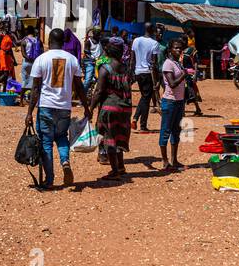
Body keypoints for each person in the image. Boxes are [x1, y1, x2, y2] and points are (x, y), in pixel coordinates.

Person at [24, 27, 89, 189]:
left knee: (46, 142)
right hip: (64, 108)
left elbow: (36, 88)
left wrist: (29, 112)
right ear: (64, 41)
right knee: (61, 138)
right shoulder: (72, 59)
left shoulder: (41, 59)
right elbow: (79, 86)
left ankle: (50, 179)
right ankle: (65, 161)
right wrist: (86, 107)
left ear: (48, 41)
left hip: (46, 106)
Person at [86, 36, 133, 179]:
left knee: (109, 139)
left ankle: (115, 172)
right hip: (125, 108)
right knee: (119, 137)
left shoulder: (105, 68)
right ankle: (121, 166)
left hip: (110, 107)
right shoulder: (125, 68)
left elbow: (99, 91)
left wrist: (91, 108)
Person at [159, 38, 189, 172]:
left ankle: (174, 160)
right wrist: (184, 75)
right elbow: (172, 83)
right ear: (170, 49)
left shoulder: (177, 63)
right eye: (176, 48)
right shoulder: (168, 64)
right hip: (169, 101)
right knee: (166, 131)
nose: (178, 50)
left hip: (179, 101)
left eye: (180, 48)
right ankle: (165, 161)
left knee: (176, 131)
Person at [131, 24, 161, 132]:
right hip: (148, 73)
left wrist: (132, 73)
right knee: (146, 99)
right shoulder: (154, 43)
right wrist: (157, 79)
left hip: (138, 72)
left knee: (144, 97)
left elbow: (132, 59)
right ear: (152, 30)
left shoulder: (136, 41)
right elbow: (154, 62)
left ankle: (135, 118)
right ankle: (142, 125)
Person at [180, 37, 204, 117]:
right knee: (186, 91)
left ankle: (183, 111)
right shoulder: (180, 51)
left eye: (182, 41)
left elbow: (196, 62)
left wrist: (195, 75)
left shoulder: (191, 50)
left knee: (189, 91)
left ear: (185, 41)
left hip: (190, 74)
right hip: (182, 74)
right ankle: (198, 109)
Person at [20, 26, 41, 98]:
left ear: (26, 32)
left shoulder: (24, 40)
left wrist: (29, 58)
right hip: (36, 63)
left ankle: (21, 100)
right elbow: (41, 52)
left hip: (26, 62)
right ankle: (32, 99)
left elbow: (23, 54)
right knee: (34, 81)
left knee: (24, 81)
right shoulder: (38, 40)